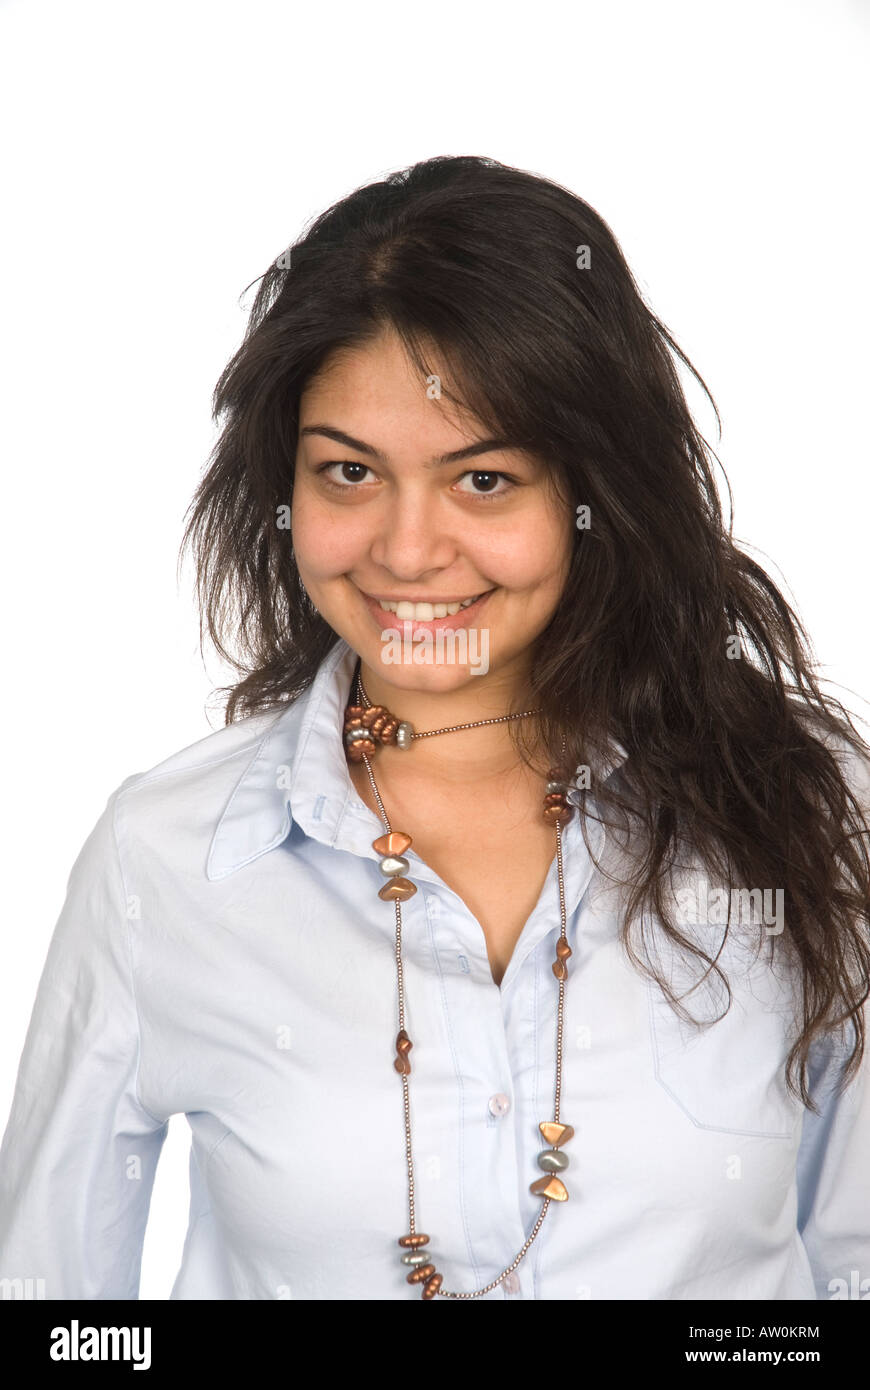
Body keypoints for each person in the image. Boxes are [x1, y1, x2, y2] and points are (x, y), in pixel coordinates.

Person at [1, 155, 868, 1302]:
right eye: (349, 472)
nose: (406, 552)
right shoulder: (161, 861)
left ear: (592, 493)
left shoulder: (810, 811)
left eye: (484, 481)